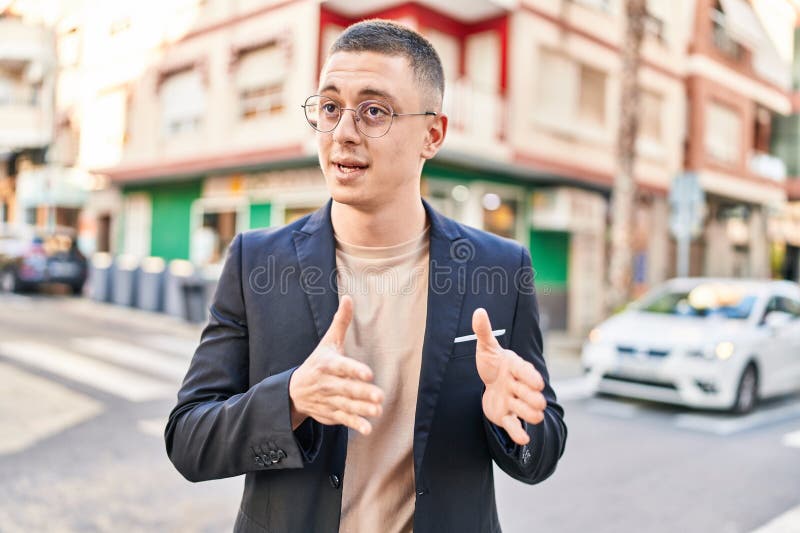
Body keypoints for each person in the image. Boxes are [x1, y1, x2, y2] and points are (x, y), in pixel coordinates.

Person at [165, 19, 567, 533]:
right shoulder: (256, 261)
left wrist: (512, 419)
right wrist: (291, 400)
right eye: (330, 108)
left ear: (432, 135)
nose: (343, 132)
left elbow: (544, 447)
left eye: (374, 111)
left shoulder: (501, 268)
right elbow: (188, 439)